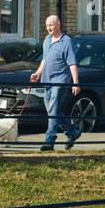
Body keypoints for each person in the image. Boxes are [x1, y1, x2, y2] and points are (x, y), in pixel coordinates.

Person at [29, 15, 81, 151]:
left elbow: (72, 64)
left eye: (51, 25)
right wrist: (37, 73)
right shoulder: (47, 40)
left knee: (52, 110)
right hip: (47, 80)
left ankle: (49, 140)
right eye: (47, 26)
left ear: (58, 24)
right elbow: (45, 60)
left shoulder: (66, 41)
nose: (49, 28)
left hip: (61, 81)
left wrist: (75, 83)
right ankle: (72, 132)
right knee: (53, 110)